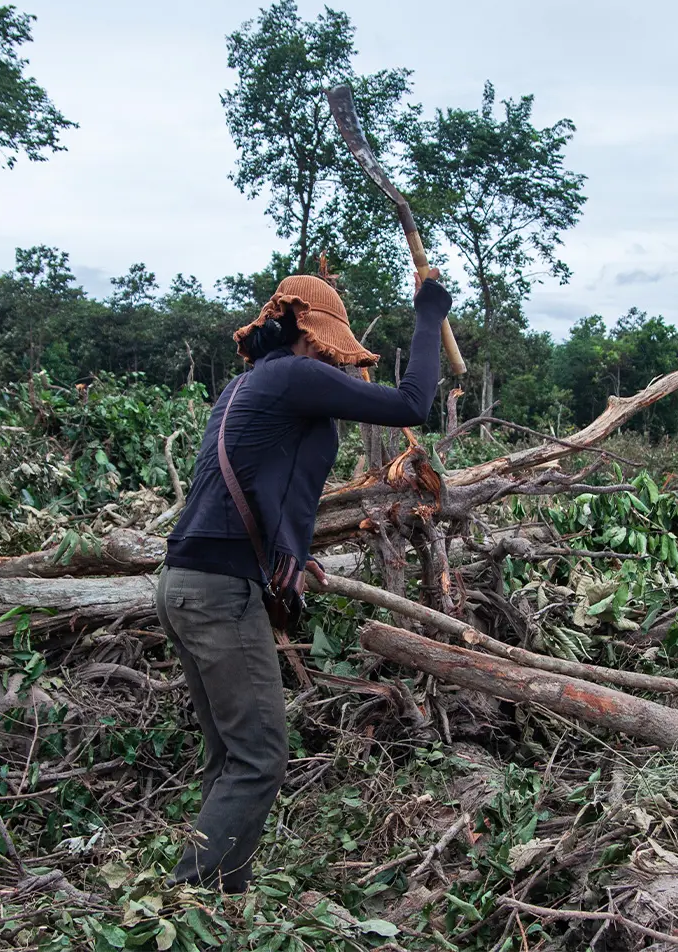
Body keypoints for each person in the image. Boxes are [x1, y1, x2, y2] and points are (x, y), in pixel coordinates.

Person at [157, 269, 453, 892]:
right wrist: (429, 315)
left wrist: (289, 556)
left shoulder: (245, 387)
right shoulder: (296, 376)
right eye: (327, 342)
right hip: (217, 591)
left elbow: (257, 482)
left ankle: (208, 901)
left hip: (185, 582)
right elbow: (411, 406)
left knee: (231, 757)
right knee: (261, 758)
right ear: (306, 331)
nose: (332, 358)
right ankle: (191, 898)